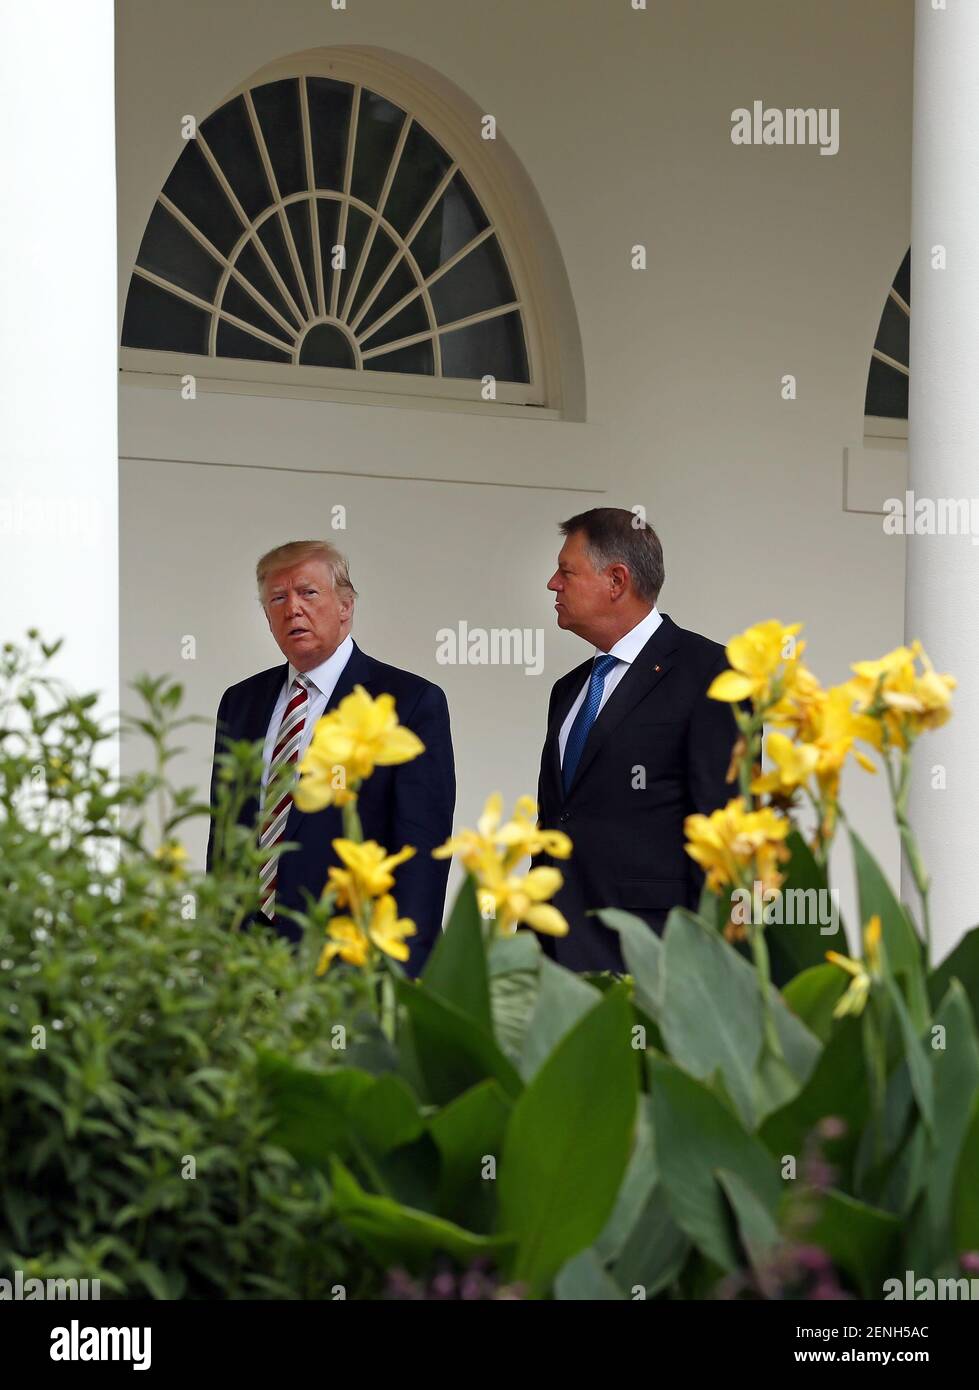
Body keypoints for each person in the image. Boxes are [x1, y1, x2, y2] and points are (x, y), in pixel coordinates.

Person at [205, 539, 455, 975]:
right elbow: (225, 833)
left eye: (308, 593)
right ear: (266, 616)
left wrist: (402, 967)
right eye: (277, 599)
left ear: (346, 606)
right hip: (245, 962)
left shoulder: (408, 702)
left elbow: (422, 851)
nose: (292, 609)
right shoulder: (240, 702)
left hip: (349, 956)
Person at [535, 508, 738, 972]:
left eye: (567, 572)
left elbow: (723, 829)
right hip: (555, 957)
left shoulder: (714, 674)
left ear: (617, 580)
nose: (553, 584)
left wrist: (713, 968)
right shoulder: (568, 691)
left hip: (653, 957)